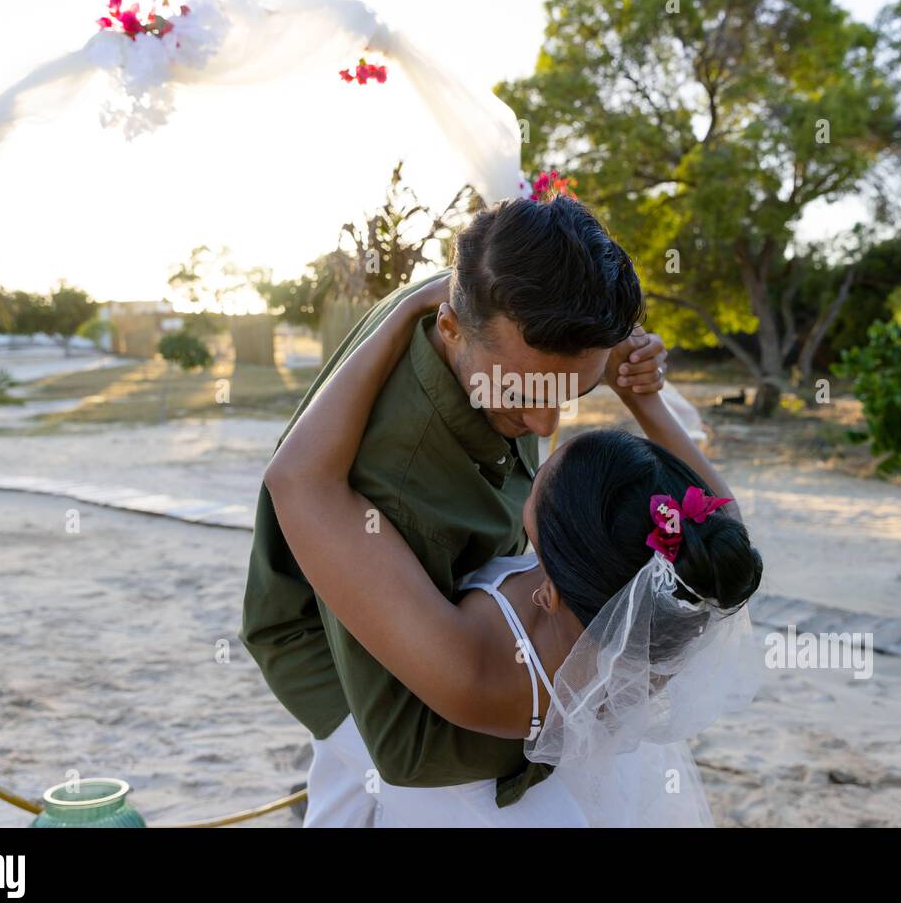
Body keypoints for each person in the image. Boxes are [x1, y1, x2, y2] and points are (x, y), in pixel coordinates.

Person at [265, 269, 763, 826]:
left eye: (551, 474)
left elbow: (300, 482)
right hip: (554, 736)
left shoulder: (471, 672)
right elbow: (723, 522)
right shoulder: (658, 594)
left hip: (447, 764)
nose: (545, 426)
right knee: (339, 796)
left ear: (545, 589)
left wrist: (402, 311)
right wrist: (642, 397)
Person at [241, 195, 669, 825]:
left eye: (570, 390)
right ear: (448, 329)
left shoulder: (491, 301)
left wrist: (626, 370)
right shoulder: (396, 485)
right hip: (338, 662)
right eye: (522, 392)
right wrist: (562, 727)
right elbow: (412, 750)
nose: (546, 423)